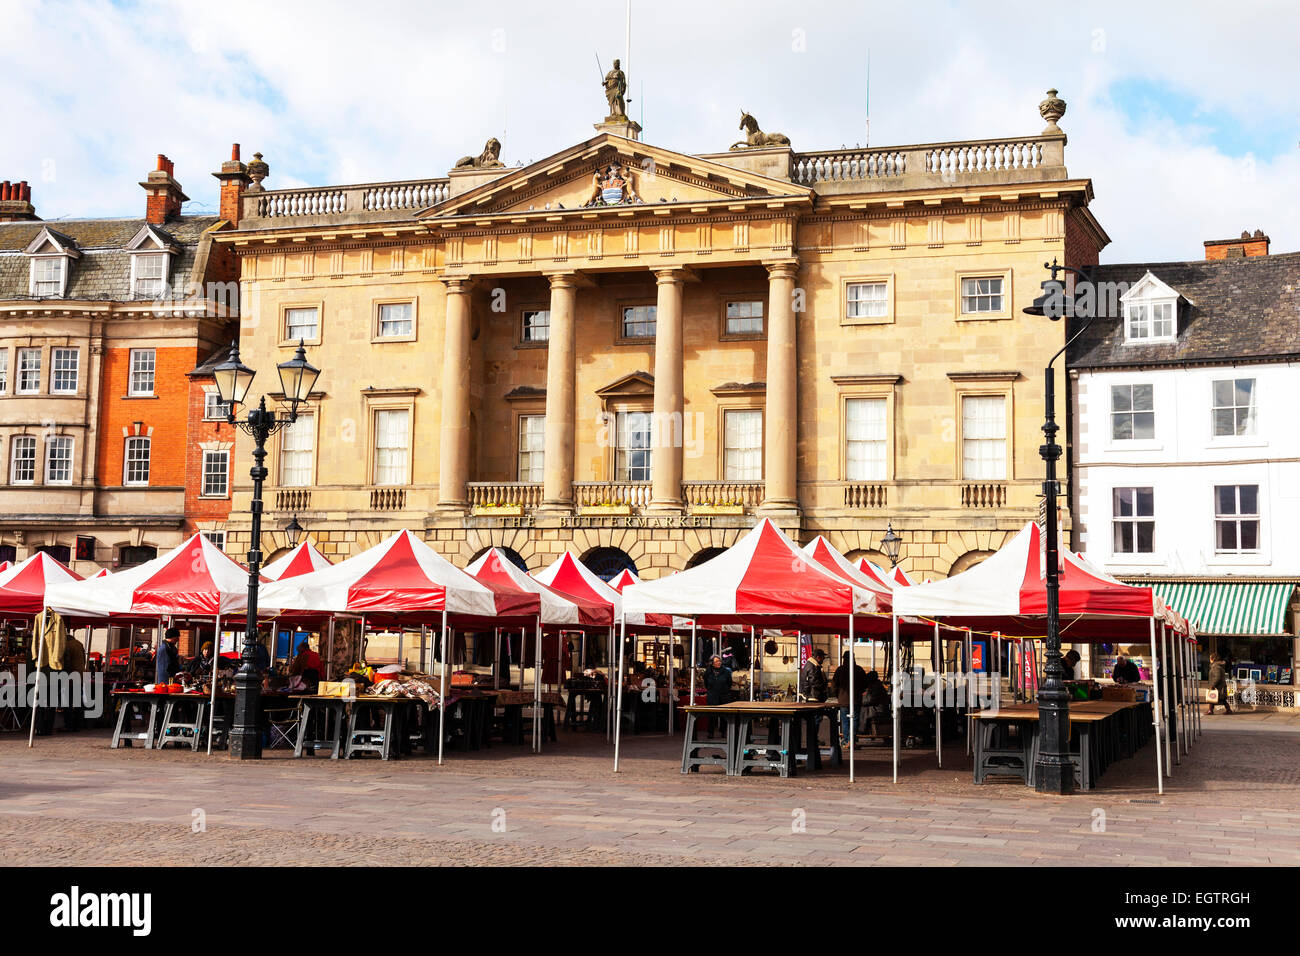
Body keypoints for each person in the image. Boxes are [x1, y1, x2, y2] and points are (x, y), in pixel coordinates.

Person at [832, 650, 868, 745]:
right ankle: (852, 740)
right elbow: (865, 684)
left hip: (843, 700)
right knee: (855, 720)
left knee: (845, 721)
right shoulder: (859, 669)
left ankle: (847, 740)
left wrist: (838, 695)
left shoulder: (840, 670)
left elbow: (834, 685)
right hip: (856, 699)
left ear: (844, 659)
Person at [60, 631, 88, 732]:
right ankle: (79, 724)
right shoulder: (79, 644)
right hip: (79, 676)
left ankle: (69, 725)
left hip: (71, 677)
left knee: (68, 703)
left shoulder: (67, 645)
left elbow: (66, 663)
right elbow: (84, 660)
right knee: (78, 702)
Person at [701, 655, 732, 739]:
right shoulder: (708, 672)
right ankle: (710, 732)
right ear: (712, 663)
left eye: (719, 661)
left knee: (724, 715)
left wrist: (724, 690)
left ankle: (723, 731)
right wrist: (711, 690)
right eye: (716, 661)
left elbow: (729, 683)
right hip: (712, 696)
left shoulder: (726, 672)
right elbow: (706, 683)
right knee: (712, 715)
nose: (718, 663)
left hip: (723, 695)